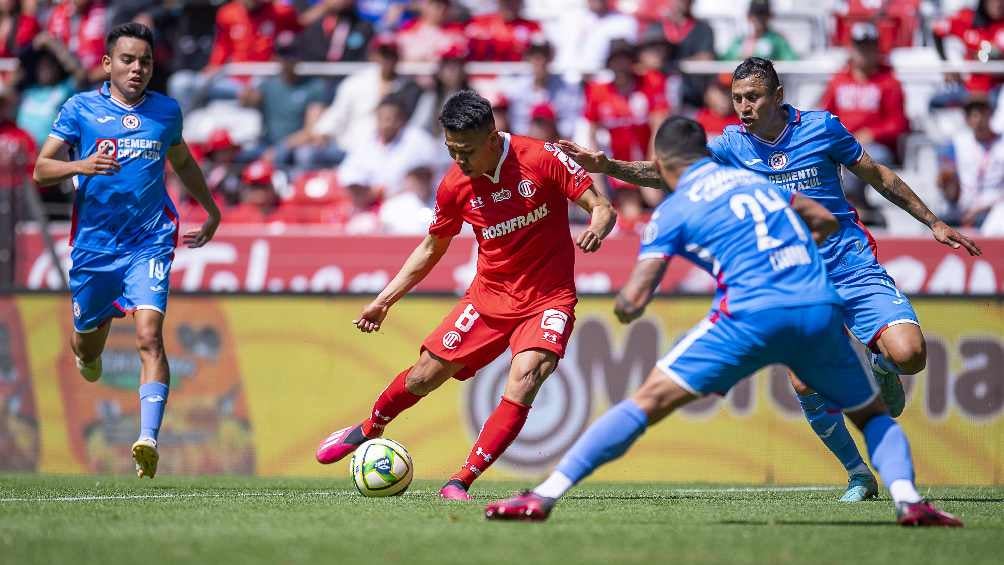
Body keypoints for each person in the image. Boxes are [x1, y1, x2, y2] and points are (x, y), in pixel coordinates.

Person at [484, 117, 964, 528]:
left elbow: (635, 296)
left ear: (665, 164)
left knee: (648, 400)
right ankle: (909, 499)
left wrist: (625, 307)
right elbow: (823, 220)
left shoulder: (672, 209)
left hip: (749, 313)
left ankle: (542, 496)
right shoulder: (760, 182)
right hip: (814, 304)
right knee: (870, 414)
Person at [554, 57, 982, 503]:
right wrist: (608, 165)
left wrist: (932, 222)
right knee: (803, 382)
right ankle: (858, 474)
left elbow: (878, 175)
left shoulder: (822, 128)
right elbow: (666, 174)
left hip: (851, 262)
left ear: (778, 96)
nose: (743, 106)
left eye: (753, 97)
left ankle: (881, 366)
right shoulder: (730, 144)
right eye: (738, 98)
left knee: (910, 355)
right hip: (797, 275)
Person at [315, 90, 617, 500]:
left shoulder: (541, 158)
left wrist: (597, 227)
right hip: (487, 298)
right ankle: (370, 427)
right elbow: (430, 248)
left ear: (493, 137)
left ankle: (461, 480)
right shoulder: (454, 185)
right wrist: (384, 300)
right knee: (424, 375)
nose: (459, 160)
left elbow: (601, 206)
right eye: (451, 150)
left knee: (526, 377)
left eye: (467, 151)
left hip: (549, 298)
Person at [31, 23, 221, 479]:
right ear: (108, 64)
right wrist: (81, 164)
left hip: (150, 239)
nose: (138, 69)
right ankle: (87, 355)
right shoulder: (80, 109)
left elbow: (181, 161)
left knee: (149, 336)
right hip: (95, 247)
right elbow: (41, 169)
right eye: (129, 60)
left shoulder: (166, 112)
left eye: (146, 62)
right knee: (87, 342)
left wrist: (210, 210)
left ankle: (148, 438)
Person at [819, 21, 908, 227]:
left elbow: (898, 123)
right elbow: (824, 115)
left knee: (860, 156)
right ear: (852, 48)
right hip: (842, 140)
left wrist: (872, 133)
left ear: (877, 49)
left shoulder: (889, 82)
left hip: (876, 147)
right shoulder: (839, 80)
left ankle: (853, 205)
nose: (864, 52)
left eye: (869, 46)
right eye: (860, 46)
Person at [938, 96, 1004, 229]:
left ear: (990, 114)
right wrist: (946, 183)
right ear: (967, 119)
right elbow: (948, 181)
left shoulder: (1001, 143)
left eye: (982, 113)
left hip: (994, 207)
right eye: (973, 115)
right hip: (962, 208)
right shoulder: (955, 143)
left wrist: (982, 208)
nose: (978, 119)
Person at [720, 0, 797, 62]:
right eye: (755, 14)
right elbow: (723, 61)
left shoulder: (778, 40)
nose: (759, 18)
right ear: (748, 16)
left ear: (770, 16)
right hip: (741, 80)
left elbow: (791, 62)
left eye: (763, 14)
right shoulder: (739, 41)